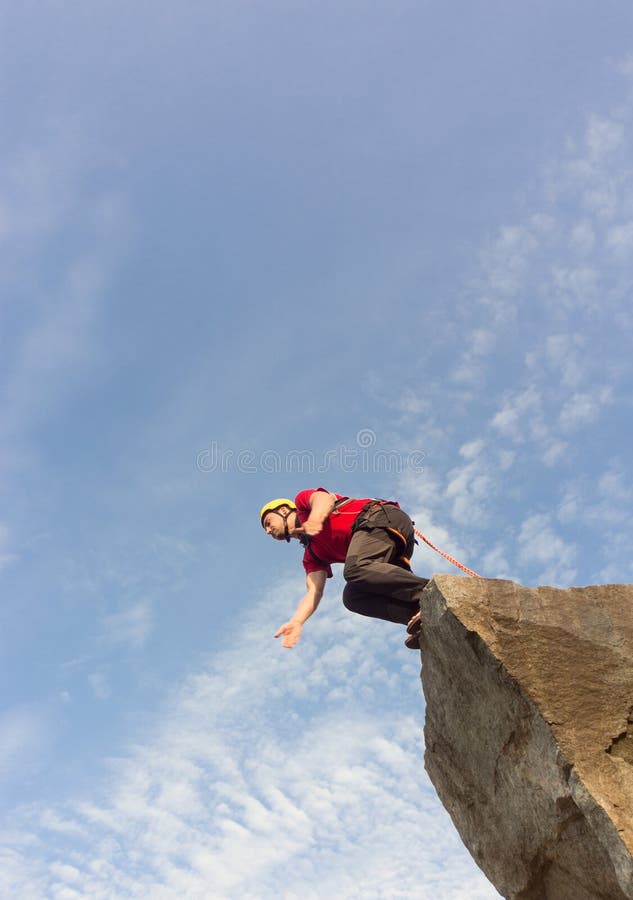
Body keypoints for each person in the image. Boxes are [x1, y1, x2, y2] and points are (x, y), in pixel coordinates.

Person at [260, 488, 429, 650]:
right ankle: (421, 613)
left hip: (381, 518)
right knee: (353, 597)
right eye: (265, 528)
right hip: (382, 550)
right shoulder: (311, 555)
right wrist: (297, 621)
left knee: (355, 568)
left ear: (283, 511)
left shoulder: (303, 503)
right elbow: (314, 592)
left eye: (268, 522)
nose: (268, 531)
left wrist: (315, 520)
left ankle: (428, 593)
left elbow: (324, 499)